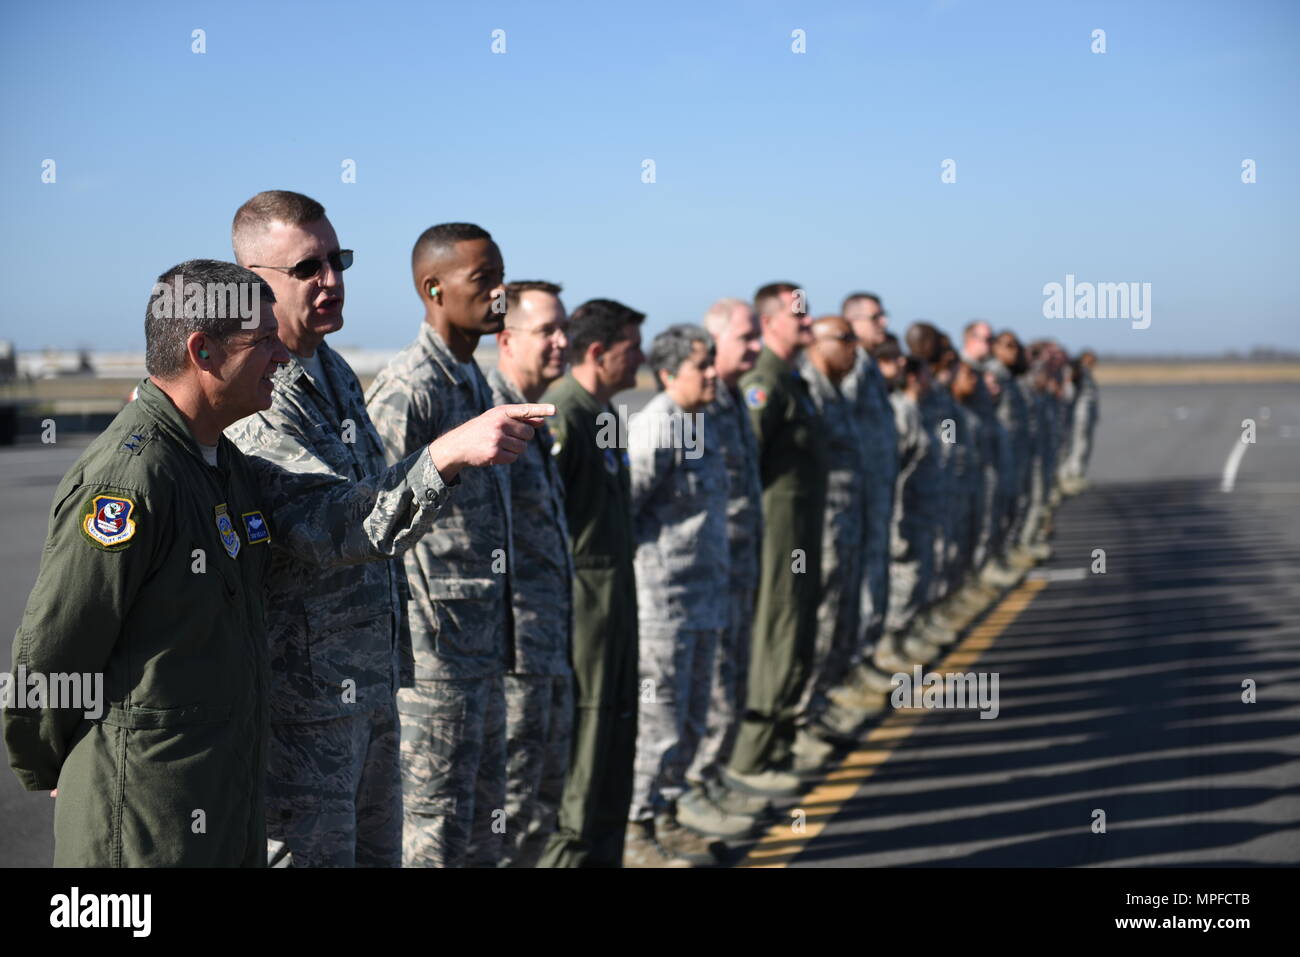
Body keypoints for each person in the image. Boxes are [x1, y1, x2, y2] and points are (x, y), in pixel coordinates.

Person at [5, 259, 529, 866]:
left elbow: (334, 513)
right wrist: (54, 762)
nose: (282, 359)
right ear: (202, 350)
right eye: (264, 343)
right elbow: (55, 646)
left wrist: (445, 459)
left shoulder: (222, 464)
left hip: (223, 794)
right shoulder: (130, 481)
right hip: (149, 810)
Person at [225, 190, 425, 867]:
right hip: (305, 714)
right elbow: (325, 525)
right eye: (308, 268)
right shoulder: (256, 388)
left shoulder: (333, 370)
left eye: (338, 260)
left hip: (367, 689)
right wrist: (444, 461)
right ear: (255, 283)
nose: (332, 280)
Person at [367, 223, 545, 868]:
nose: (500, 293)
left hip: (483, 646)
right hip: (434, 657)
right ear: (434, 289)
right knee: (433, 831)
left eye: (502, 277)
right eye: (483, 281)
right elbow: (373, 516)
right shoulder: (411, 388)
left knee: (481, 826)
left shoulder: (474, 381)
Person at [538, 299, 645, 868]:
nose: (643, 359)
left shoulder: (602, 414)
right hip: (584, 613)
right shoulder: (564, 413)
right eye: (632, 347)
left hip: (614, 609)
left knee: (615, 741)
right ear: (600, 352)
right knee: (587, 742)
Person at [624, 325, 730, 866]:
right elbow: (627, 509)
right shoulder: (657, 426)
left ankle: (667, 814)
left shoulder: (700, 424)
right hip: (662, 601)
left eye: (713, 363)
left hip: (704, 595)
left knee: (691, 717)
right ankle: (637, 828)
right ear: (668, 374)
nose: (714, 373)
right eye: (702, 366)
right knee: (659, 721)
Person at [723, 282, 828, 797]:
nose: (810, 324)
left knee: (798, 631)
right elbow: (747, 465)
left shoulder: (792, 379)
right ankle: (752, 754)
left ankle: (782, 739)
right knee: (776, 634)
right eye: (800, 317)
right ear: (769, 323)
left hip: (802, 530)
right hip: (778, 532)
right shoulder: (763, 382)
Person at [487, 280, 575, 867]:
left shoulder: (534, 415)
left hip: (545, 647)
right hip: (507, 659)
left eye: (563, 328)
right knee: (506, 810)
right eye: (547, 330)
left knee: (541, 802)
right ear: (507, 338)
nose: (562, 342)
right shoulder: (488, 416)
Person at [679, 298, 771, 834]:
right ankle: (691, 785)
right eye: (745, 339)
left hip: (739, 558)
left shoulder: (733, 398)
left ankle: (714, 773)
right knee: (708, 681)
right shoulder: (697, 405)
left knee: (730, 671)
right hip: (706, 568)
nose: (755, 348)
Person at [793, 315, 867, 766]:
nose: (854, 347)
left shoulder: (835, 391)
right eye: (846, 339)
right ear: (818, 344)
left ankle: (818, 707)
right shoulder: (809, 390)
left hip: (843, 524)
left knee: (838, 616)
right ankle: (800, 720)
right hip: (818, 531)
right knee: (817, 622)